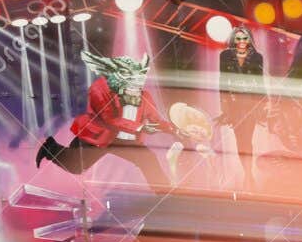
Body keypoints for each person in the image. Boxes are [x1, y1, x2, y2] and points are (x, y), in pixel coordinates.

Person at [35, 51, 189, 189]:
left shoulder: (144, 96)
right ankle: (50, 148)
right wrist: (140, 128)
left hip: (127, 141)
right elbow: (109, 118)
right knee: (76, 167)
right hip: (100, 136)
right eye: (129, 77)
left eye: (139, 77)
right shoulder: (99, 89)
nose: (136, 83)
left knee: (147, 159)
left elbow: (156, 119)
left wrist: (174, 129)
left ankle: (165, 193)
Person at [217, 27, 268, 187]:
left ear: (249, 39)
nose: (241, 42)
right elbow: (222, 82)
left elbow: (260, 82)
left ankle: (248, 174)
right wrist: (225, 109)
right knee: (241, 140)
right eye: (238, 38)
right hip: (234, 104)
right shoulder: (225, 55)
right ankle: (247, 173)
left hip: (250, 103)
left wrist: (263, 105)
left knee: (248, 139)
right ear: (233, 40)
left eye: (244, 38)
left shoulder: (257, 57)